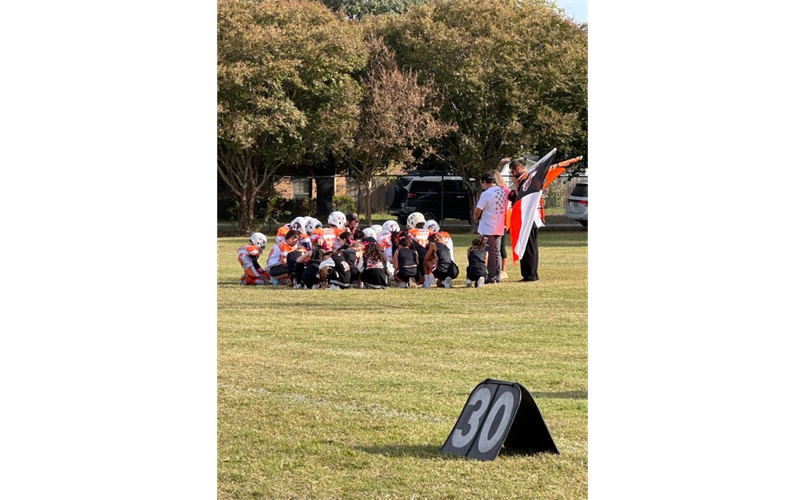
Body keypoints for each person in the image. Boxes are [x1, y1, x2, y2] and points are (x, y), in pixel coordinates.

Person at [508, 157, 540, 282]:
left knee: (529, 248)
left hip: (529, 218)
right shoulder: (527, 180)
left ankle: (531, 275)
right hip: (527, 218)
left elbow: (520, 199)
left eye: (512, 172)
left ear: (518, 169)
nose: (512, 175)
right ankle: (529, 273)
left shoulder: (527, 181)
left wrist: (516, 186)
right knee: (528, 246)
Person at [474, 171, 506, 284]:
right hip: (499, 225)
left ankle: (491, 276)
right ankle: (497, 275)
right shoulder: (501, 191)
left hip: (488, 226)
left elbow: (478, 209)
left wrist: (476, 218)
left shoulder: (486, 193)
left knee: (490, 252)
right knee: (497, 251)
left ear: (484, 182)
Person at [491, 169, 510, 280]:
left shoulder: (504, 191)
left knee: (500, 247)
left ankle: (503, 270)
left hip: (502, 222)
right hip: (497, 221)